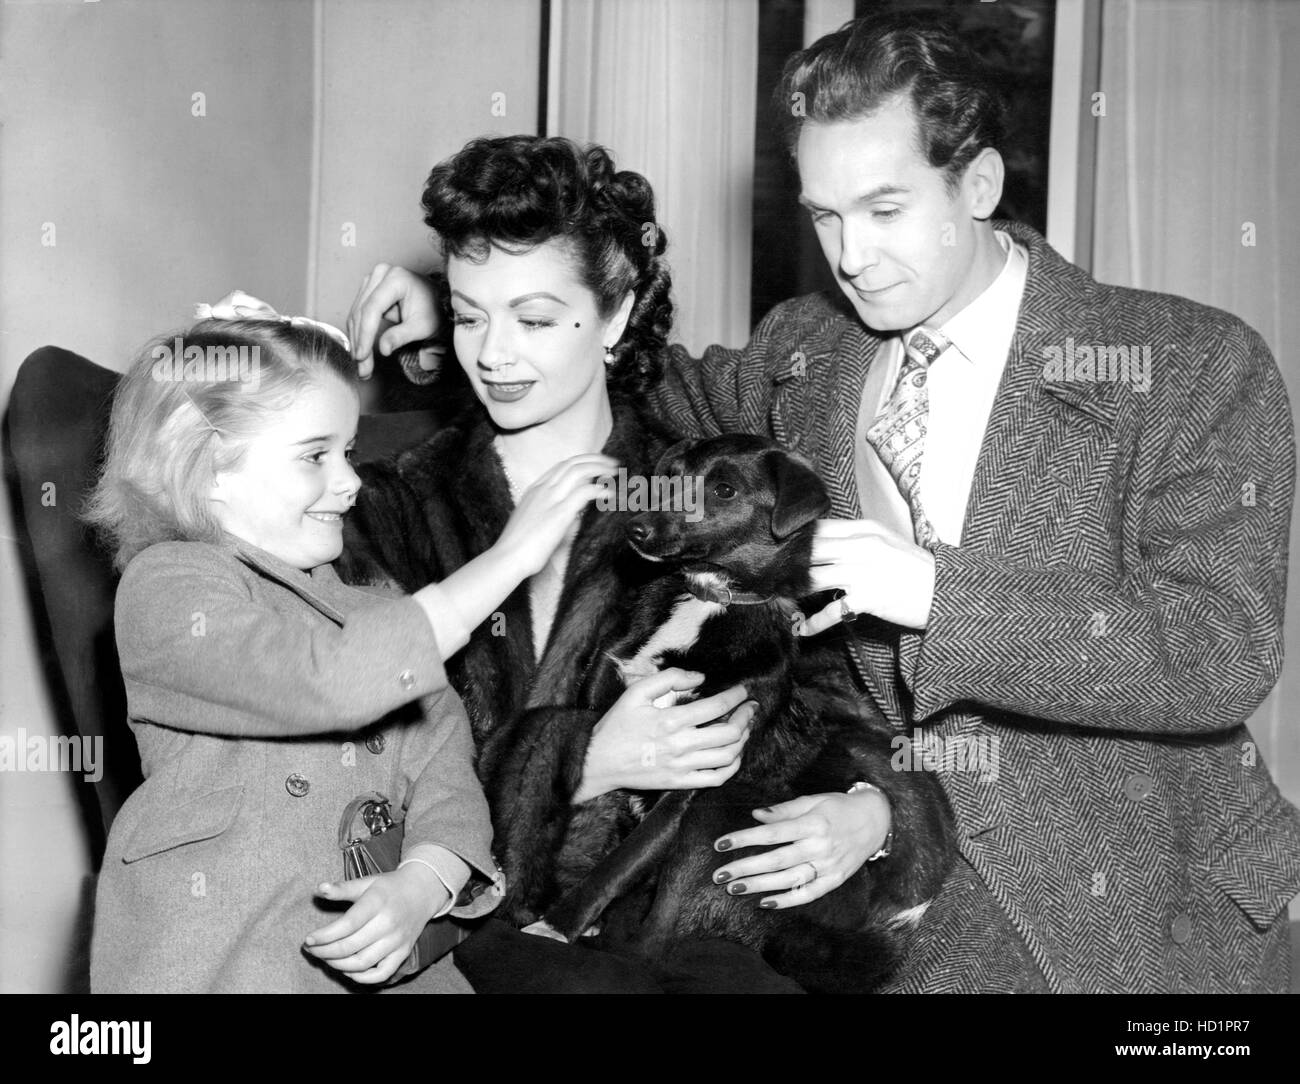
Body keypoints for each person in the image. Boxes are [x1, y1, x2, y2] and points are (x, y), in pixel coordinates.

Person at [349, 11, 1300, 993]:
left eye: (884, 210)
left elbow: (1219, 647)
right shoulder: (811, 350)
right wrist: (458, 313)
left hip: (1143, 883)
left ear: (977, 183)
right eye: (824, 215)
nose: (849, 255)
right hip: (898, 887)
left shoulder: (1186, 363)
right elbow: (627, 372)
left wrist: (936, 592)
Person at [339, 134, 896, 993]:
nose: (493, 355)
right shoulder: (390, 511)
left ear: (618, 315)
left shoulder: (712, 504)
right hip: (472, 937)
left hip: (689, 926)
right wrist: (586, 757)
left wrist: (869, 810)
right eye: (467, 314)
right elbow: (358, 790)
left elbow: (840, 713)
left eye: (532, 318)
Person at [83, 304, 597, 992]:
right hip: (223, 964)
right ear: (207, 467)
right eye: (314, 455)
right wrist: (507, 561)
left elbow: (447, 775)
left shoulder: (379, 612)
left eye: (348, 453)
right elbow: (322, 680)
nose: (352, 482)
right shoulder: (169, 588)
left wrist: (423, 883)